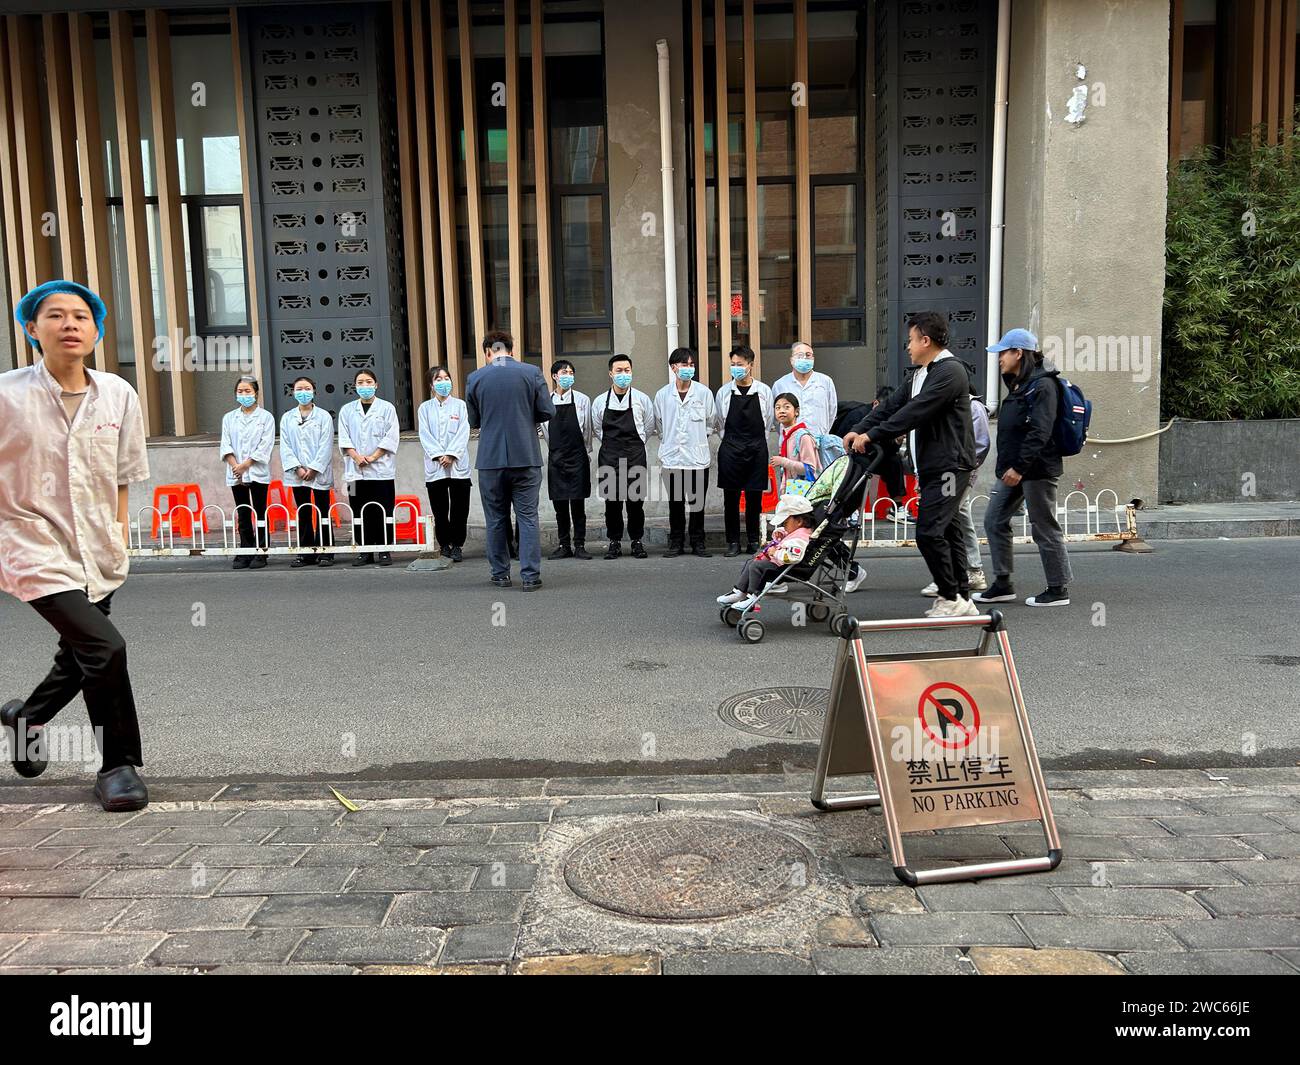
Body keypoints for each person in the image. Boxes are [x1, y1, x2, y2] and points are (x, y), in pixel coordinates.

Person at [0, 280, 150, 811]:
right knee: (105, 648)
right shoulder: (6, 394)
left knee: (81, 654)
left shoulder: (118, 393)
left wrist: (116, 532)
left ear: (96, 329)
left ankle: (27, 719)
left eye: (81, 316)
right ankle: (117, 766)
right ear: (31, 328)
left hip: (97, 543)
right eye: (56, 315)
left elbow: (124, 473)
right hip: (31, 542)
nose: (70, 324)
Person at [844, 311, 977, 618]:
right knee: (949, 530)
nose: (908, 347)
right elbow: (891, 406)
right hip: (933, 466)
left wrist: (872, 436)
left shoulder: (949, 372)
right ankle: (960, 597)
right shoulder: (919, 374)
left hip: (950, 466)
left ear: (926, 340)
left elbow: (915, 412)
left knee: (929, 532)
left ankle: (950, 596)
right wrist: (860, 428)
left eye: (911, 340)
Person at [974, 329, 1073, 607]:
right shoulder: (1019, 383)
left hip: (1036, 469)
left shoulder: (1043, 386)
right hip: (1014, 469)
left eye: (1003, 353)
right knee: (994, 520)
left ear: (1018, 353)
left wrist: (1018, 467)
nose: (999, 359)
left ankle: (1058, 588)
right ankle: (1003, 583)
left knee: (1044, 527)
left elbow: (1040, 432)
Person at [465, 329, 555, 590]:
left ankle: (500, 573)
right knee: (527, 517)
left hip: (491, 458)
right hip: (525, 455)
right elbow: (547, 410)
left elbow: (474, 420)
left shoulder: (476, 377)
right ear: (511, 350)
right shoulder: (531, 372)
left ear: (487, 352)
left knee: (495, 518)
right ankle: (529, 576)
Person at [921, 366, 989, 597]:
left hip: (958, 472)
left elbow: (981, 443)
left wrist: (967, 467)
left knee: (950, 517)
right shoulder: (943, 404)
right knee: (955, 518)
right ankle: (964, 572)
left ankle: (965, 573)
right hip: (944, 471)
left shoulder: (973, 407)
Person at [653, 347, 716, 558]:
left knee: (697, 504)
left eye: (691, 365)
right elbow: (658, 424)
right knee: (675, 504)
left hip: (697, 459)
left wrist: (697, 440)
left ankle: (698, 542)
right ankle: (676, 542)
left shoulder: (704, 393)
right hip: (672, 459)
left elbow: (711, 422)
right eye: (684, 364)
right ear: (673, 367)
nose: (689, 368)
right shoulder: (663, 395)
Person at [591, 354, 655, 560]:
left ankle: (637, 541)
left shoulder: (642, 399)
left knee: (635, 501)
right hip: (609, 455)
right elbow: (597, 429)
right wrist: (612, 446)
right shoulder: (600, 401)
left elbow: (649, 426)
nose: (623, 374)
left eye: (627, 370)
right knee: (612, 501)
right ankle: (614, 541)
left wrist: (634, 445)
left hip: (635, 454)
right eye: (619, 371)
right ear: (611, 373)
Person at [716, 344, 773, 558]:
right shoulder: (724, 392)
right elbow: (719, 422)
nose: (736, 368)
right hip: (730, 447)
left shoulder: (764, 391)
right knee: (730, 498)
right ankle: (732, 542)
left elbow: (768, 421)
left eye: (740, 364)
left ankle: (752, 539)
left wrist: (756, 441)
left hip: (757, 447)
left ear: (750, 365)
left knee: (754, 497)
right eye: (733, 364)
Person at [338, 369, 400, 567]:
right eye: (360, 382)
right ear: (355, 386)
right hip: (354, 471)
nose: (365, 386)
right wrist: (356, 457)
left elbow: (391, 436)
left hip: (381, 470)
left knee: (382, 509)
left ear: (376, 384)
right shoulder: (347, 410)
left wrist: (372, 457)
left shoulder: (387, 408)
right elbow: (344, 437)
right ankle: (364, 550)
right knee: (358, 509)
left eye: (368, 381)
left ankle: (383, 549)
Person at [715, 495, 815, 612]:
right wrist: (780, 534)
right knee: (751, 562)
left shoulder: (800, 538)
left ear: (799, 521)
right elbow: (788, 539)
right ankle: (739, 591)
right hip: (779, 564)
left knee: (756, 566)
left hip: (785, 567)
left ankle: (752, 596)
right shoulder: (796, 531)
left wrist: (775, 552)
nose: (784, 526)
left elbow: (793, 557)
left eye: (785, 523)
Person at [279, 375, 336, 568]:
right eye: (299, 389)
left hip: (318, 472)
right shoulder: (287, 418)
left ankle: (326, 551)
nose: (303, 393)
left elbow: (326, 445)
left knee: (323, 510)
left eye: (307, 388)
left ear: (314, 391)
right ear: (293, 392)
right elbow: (285, 445)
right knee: (303, 511)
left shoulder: (323, 417)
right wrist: (298, 468)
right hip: (297, 473)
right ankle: (306, 552)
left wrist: (313, 468)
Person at [220, 375, 276, 570]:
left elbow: (265, 445)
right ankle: (245, 550)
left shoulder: (266, 417)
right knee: (243, 512)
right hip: (235, 471)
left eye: (248, 391)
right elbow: (225, 444)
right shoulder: (229, 418)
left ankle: (261, 551)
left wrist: (247, 464)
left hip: (257, 470)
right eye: (240, 391)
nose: (244, 395)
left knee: (260, 511)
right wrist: (236, 465)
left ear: (256, 393)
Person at [418, 365, 472, 563]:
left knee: (460, 507)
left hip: (457, 464)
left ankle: (457, 544)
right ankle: (445, 544)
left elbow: (463, 432)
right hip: (436, 466)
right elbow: (424, 434)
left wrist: (451, 454)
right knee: (440, 508)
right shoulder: (424, 408)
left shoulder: (460, 405)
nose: (444, 382)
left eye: (446, 378)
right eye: (438, 379)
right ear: (431, 385)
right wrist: (439, 455)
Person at [542, 359, 593, 560]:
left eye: (571, 372)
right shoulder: (545, 402)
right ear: (554, 376)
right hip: (556, 458)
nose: (568, 376)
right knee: (560, 506)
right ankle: (564, 545)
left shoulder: (582, 400)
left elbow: (587, 429)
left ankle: (579, 544)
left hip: (578, 457)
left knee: (578, 505)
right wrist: (555, 451)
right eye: (564, 372)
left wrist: (586, 452)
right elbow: (545, 431)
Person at [771, 340, 838, 438]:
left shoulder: (825, 382)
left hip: (819, 439)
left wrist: (823, 431)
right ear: (791, 360)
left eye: (808, 355)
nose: (804, 358)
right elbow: (775, 418)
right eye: (799, 355)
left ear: (813, 358)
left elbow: (832, 411)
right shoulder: (780, 385)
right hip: (790, 441)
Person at [771, 392, 821, 496]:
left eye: (787, 407)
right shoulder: (786, 435)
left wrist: (783, 461)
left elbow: (810, 469)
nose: (782, 411)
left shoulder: (803, 436)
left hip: (805, 492)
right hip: (792, 491)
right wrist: (783, 489)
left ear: (796, 411)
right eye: (778, 408)